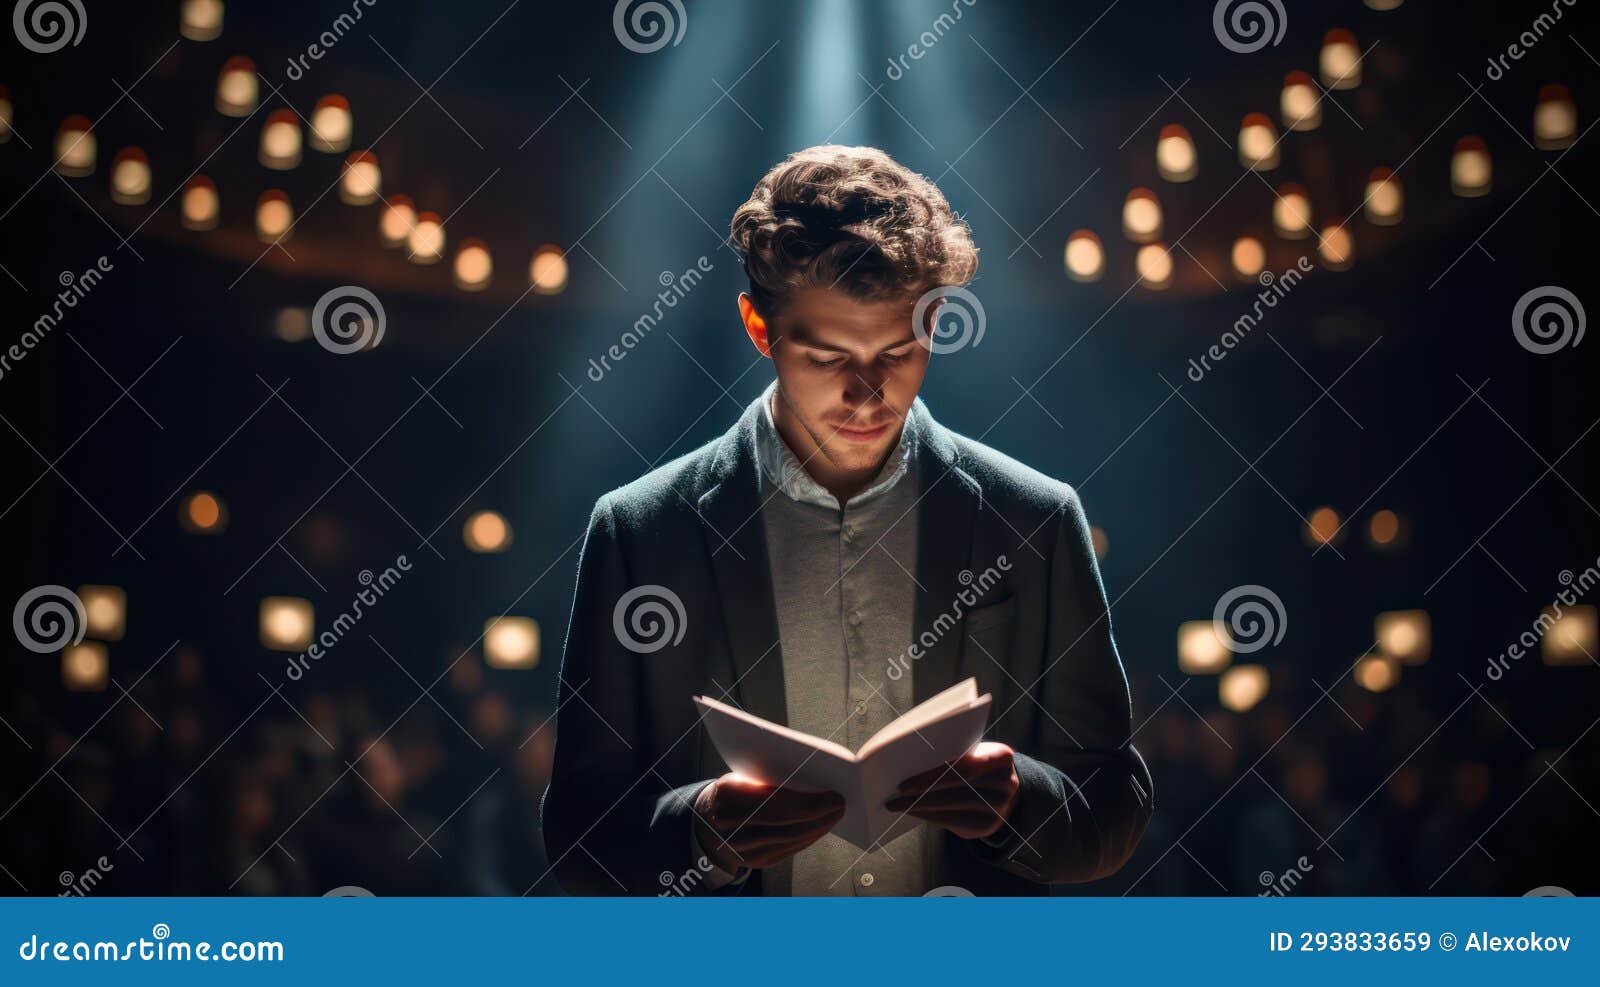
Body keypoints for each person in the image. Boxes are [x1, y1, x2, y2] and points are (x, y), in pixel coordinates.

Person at [544, 145, 1151, 895]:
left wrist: (1019, 802)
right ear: (759, 327)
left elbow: (1115, 809)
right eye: (828, 358)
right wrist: (697, 829)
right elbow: (576, 835)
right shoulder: (639, 533)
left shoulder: (1036, 520)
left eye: (898, 352)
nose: (867, 396)